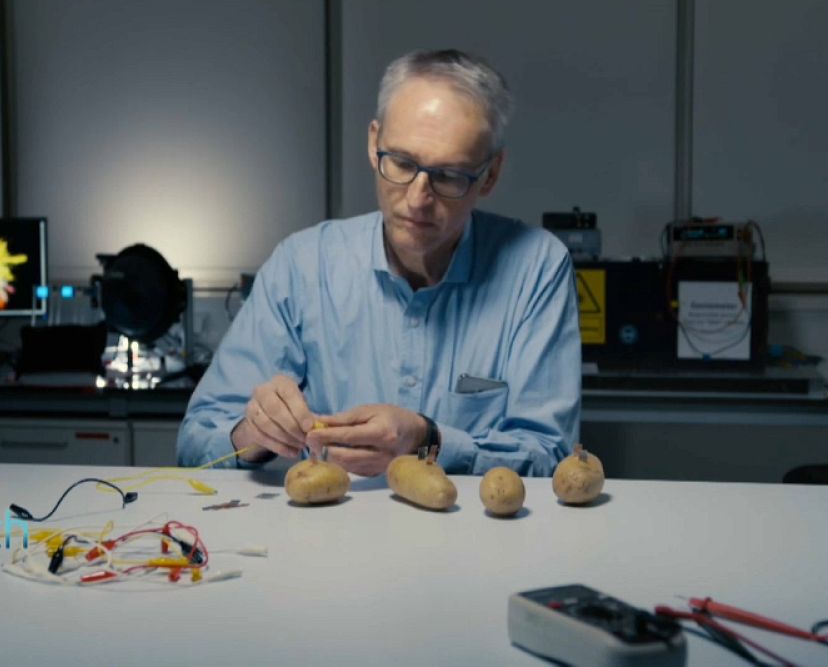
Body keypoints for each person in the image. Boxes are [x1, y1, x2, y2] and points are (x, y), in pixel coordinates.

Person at [177, 49, 580, 477]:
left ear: (491, 175)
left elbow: (550, 457)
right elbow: (195, 443)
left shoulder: (537, 268)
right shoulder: (302, 265)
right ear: (374, 144)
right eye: (402, 163)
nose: (417, 198)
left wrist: (429, 442)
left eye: (448, 176)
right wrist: (254, 436)